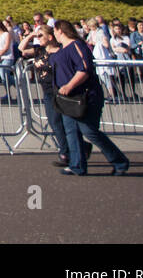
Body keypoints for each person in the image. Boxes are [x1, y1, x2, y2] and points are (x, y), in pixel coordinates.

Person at [50, 20, 129, 176]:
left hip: (85, 95)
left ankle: (119, 161)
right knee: (71, 131)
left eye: (54, 31)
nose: (54, 34)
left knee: (89, 130)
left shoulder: (77, 46)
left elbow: (84, 69)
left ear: (60, 30)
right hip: (68, 98)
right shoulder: (62, 49)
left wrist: (69, 85)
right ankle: (77, 165)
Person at [19, 24, 71, 166]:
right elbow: (21, 49)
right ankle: (78, 147)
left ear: (50, 36)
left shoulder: (61, 51)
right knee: (55, 122)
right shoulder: (39, 50)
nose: (39, 38)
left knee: (65, 123)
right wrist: (31, 35)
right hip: (47, 91)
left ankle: (65, 153)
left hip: (61, 90)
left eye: (41, 35)